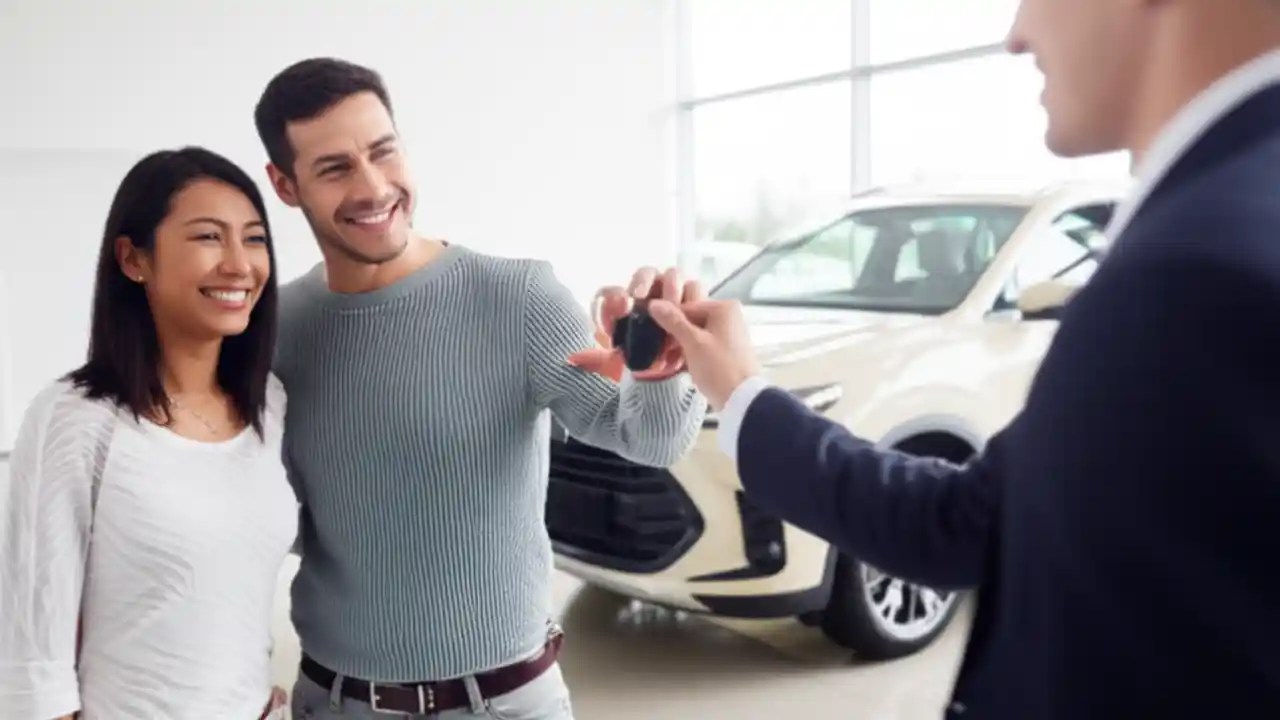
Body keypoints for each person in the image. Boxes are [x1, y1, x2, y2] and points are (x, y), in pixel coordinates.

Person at [612, 0, 1280, 717]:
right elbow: (963, 521)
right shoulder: (1219, 225)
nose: (1015, 33)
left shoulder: (1201, 270)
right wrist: (737, 386)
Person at [253, 58, 706, 719]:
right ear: (285, 185)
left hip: (503, 703)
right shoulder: (277, 331)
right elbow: (282, 520)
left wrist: (659, 370)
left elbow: (651, 441)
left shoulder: (516, 297)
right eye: (334, 168)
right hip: (336, 701)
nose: (375, 186)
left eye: (384, 152)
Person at [0, 147, 295, 719]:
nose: (240, 264)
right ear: (134, 259)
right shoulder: (76, 418)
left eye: (254, 238)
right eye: (209, 237)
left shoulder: (272, 406)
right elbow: (34, 667)